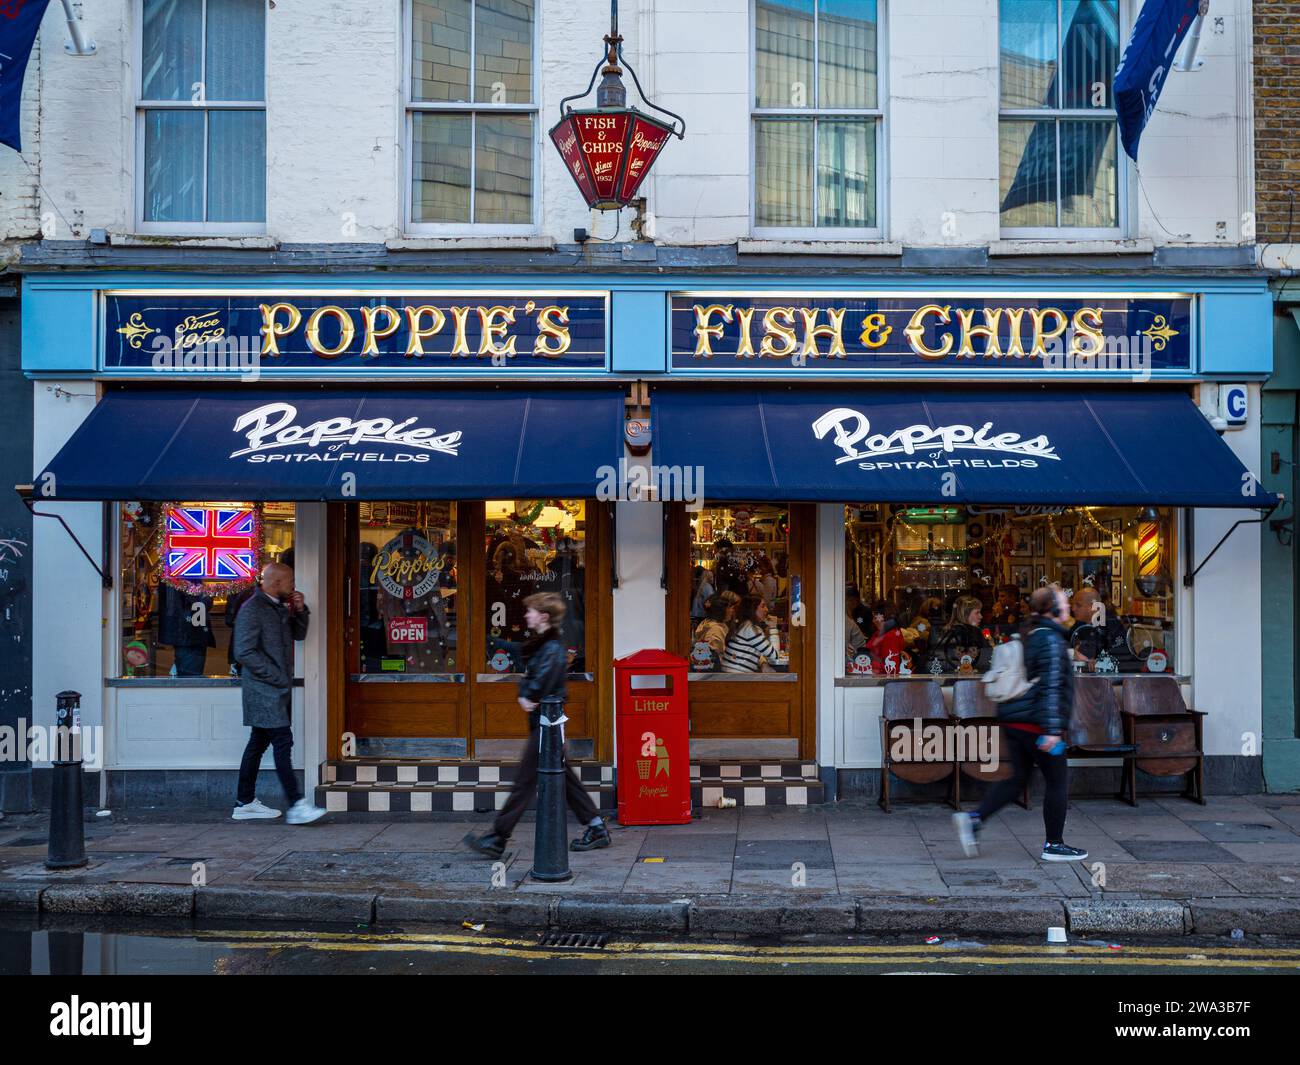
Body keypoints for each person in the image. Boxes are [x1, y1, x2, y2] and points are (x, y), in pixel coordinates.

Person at [465, 592, 609, 858]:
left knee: (524, 781)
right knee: (563, 777)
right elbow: (525, 660)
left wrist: (526, 693)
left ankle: (498, 837)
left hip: (547, 724)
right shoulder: (544, 645)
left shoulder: (552, 649)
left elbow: (541, 681)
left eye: (530, 611)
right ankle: (596, 827)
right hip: (546, 723)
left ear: (543, 616)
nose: (526, 615)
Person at [952, 584, 1088, 863]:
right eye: (1063, 601)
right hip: (1038, 724)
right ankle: (1054, 844)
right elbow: (1051, 686)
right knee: (1057, 781)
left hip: (1015, 720)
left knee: (1017, 779)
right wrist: (1051, 731)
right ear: (1052, 609)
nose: (1068, 605)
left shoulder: (1027, 633)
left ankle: (974, 819)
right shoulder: (1050, 640)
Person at [231, 563, 326, 825]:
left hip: (273, 689)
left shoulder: (276, 606)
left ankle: (244, 801)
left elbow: (298, 634)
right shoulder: (253, 609)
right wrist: (276, 677)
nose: (293, 585)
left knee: (258, 743)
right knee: (283, 743)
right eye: (290, 581)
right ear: (276, 583)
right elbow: (244, 651)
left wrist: (300, 610)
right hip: (265, 690)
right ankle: (296, 805)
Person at [1068, 586, 1136, 671]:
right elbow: (1066, 642)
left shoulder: (1111, 623)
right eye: (1073, 605)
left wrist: (1101, 660)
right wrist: (1073, 652)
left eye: (1078, 605)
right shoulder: (1079, 624)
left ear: (1092, 607)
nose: (1073, 609)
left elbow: (1122, 651)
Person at [721, 596, 779, 673]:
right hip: (737, 678)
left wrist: (763, 663)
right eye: (763, 606)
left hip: (728, 675)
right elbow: (775, 656)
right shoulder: (751, 629)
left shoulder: (743, 625)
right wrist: (773, 628)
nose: (766, 610)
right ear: (752, 609)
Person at [936, 594, 992, 672]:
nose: (981, 616)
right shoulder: (973, 632)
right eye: (977, 612)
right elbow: (985, 660)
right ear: (965, 614)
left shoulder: (947, 630)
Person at [693, 592, 735, 670]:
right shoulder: (715, 630)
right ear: (721, 610)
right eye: (729, 607)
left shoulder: (707, 623)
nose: (732, 610)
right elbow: (715, 656)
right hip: (714, 673)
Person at [866, 601, 905, 675]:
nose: (873, 621)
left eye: (875, 617)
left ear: (885, 617)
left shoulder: (891, 636)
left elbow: (891, 669)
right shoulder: (881, 633)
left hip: (881, 682)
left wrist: (867, 664)